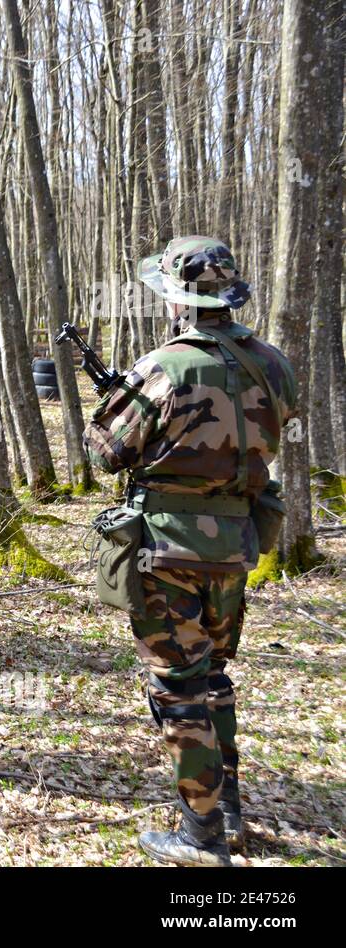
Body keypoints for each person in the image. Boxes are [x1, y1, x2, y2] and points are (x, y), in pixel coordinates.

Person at [85, 236, 296, 866]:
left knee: (178, 688)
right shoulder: (273, 362)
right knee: (214, 677)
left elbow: (105, 455)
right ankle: (227, 806)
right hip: (233, 545)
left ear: (178, 301)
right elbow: (271, 436)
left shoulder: (164, 366)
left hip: (166, 552)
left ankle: (201, 834)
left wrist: (118, 407)